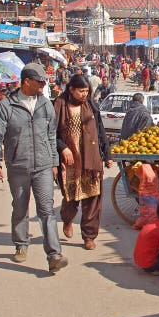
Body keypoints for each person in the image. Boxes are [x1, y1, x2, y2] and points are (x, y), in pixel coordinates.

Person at [0, 63, 68, 274]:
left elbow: (51, 136)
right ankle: (21, 243)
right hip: (18, 166)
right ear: (27, 82)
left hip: (43, 167)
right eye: (39, 81)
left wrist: (54, 163)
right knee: (20, 208)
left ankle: (54, 255)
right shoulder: (7, 106)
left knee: (47, 211)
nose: (43, 85)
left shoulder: (46, 105)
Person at [54, 74, 112, 250]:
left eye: (87, 91)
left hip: (91, 157)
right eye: (81, 91)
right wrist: (62, 148)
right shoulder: (59, 105)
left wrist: (107, 154)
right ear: (71, 89)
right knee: (71, 197)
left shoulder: (91, 106)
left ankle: (89, 235)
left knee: (93, 197)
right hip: (70, 160)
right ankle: (67, 219)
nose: (84, 94)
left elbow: (100, 129)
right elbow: (50, 133)